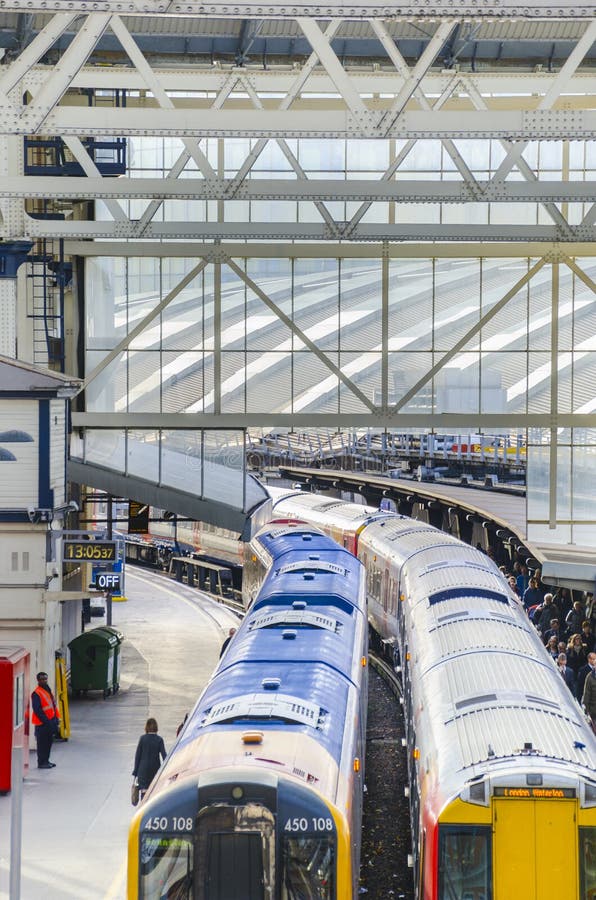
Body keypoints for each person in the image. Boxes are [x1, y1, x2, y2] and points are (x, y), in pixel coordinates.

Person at [31, 671, 60, 769]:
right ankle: (41, 762)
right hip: (42, 723)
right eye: (42, 679)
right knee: (42, 744)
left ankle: (46, 761)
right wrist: (47, 721)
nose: (44, 681)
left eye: (45, 679)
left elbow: (52, 706)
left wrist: (55, 719)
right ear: (38, 680)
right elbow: (37, 710)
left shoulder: (47, 690)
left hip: (50, 721)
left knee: (48, 743)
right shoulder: (36, 693)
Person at [132, 718, 166, 800]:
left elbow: (138, 757)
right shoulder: (159, 740)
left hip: (142, 770)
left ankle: (143, 808)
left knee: (144, 793)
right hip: (154, 770)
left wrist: (135, 772)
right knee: (153, 793)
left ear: (146, 727)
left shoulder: (142, 739)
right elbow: (164, 756)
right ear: (156, 727)